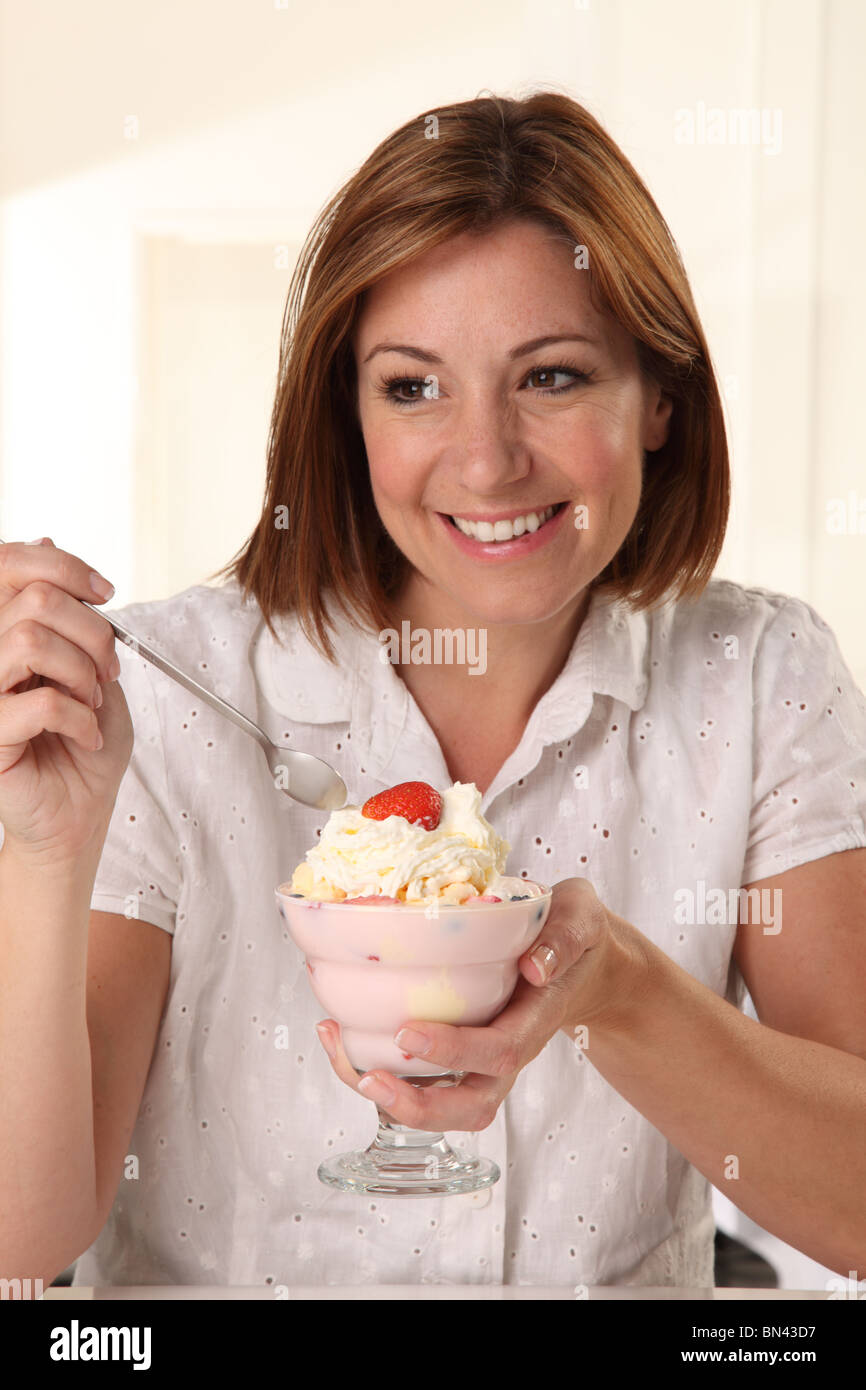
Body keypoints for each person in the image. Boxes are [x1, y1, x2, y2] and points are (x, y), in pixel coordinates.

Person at [1, 91, 865, 1293]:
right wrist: (40, 852)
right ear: (343, 414)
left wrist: (612, 992)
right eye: (412, 387)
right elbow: (23, 1238)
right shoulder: (173, 690)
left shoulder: (760, 676)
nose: (485, 459)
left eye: (551, 378)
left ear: (659, 399)